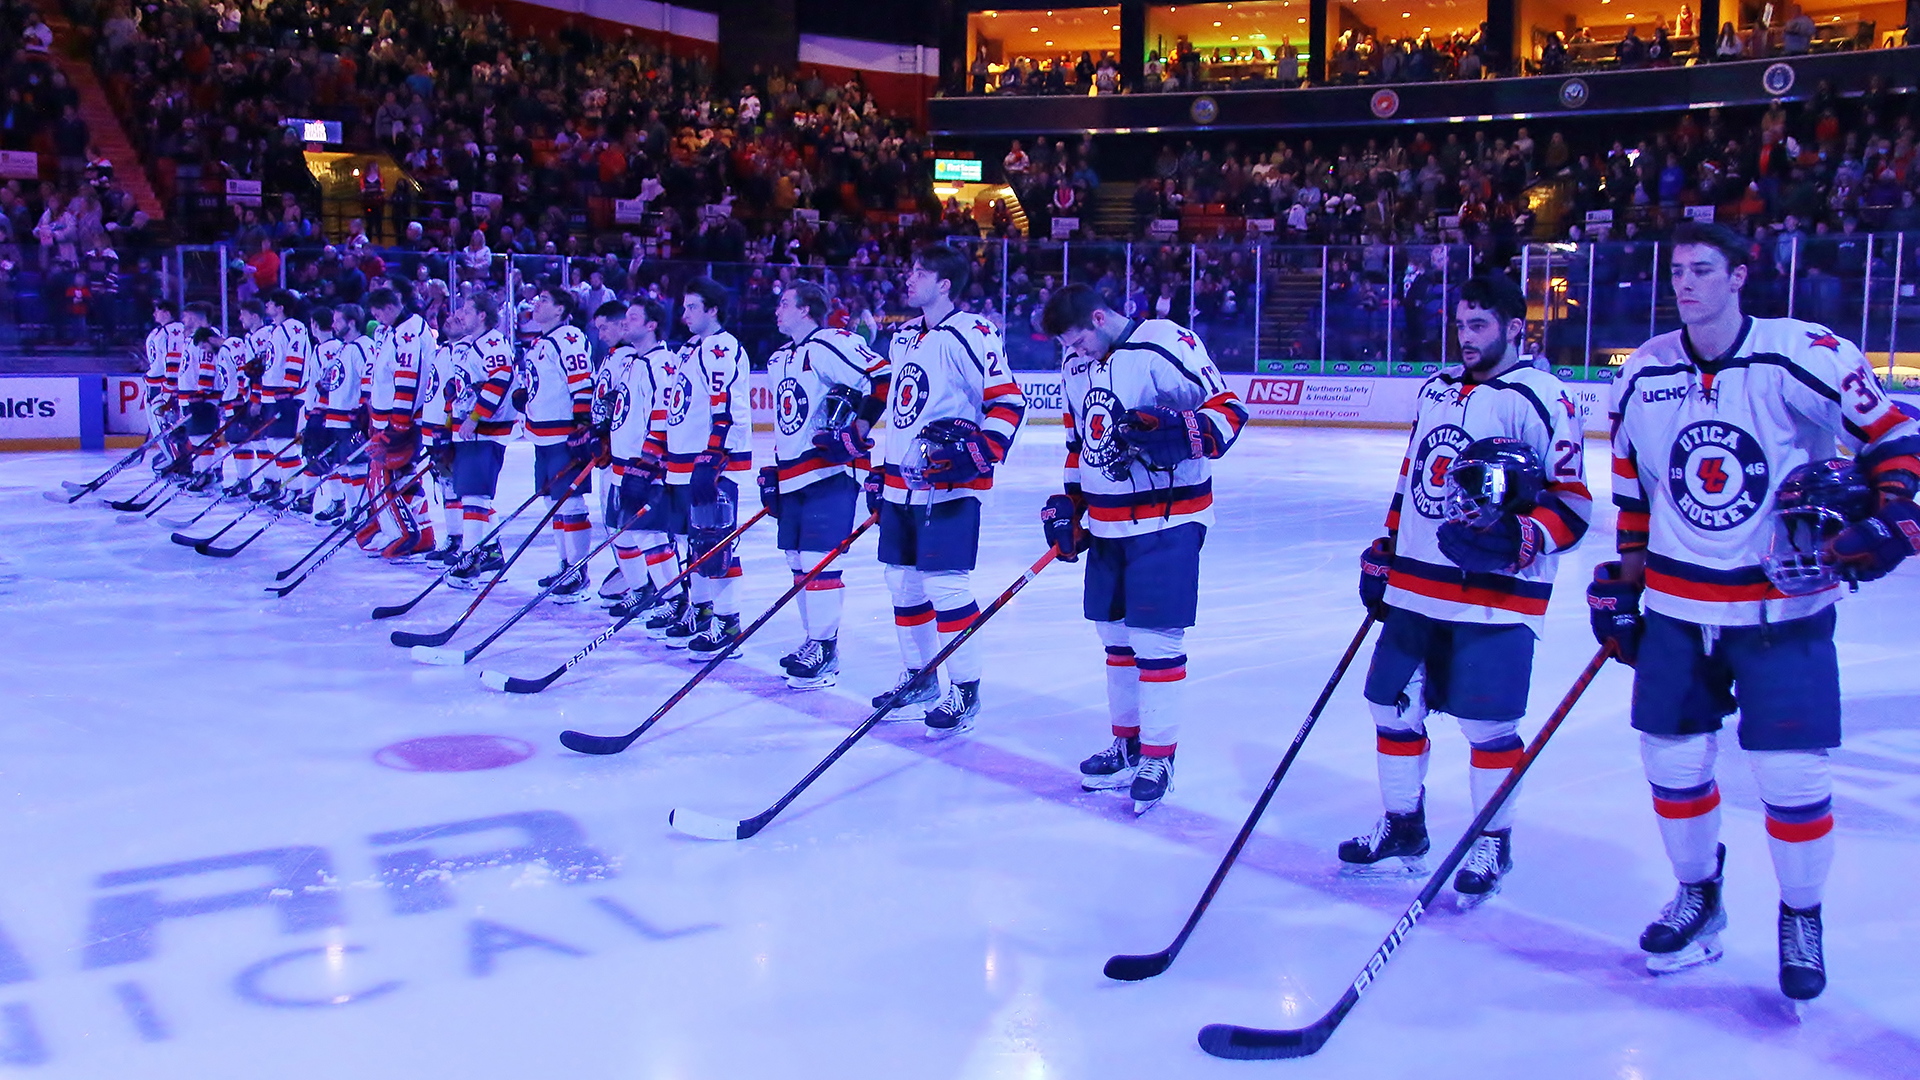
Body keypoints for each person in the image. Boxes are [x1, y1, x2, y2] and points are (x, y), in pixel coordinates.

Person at [1593, 221, 1920, 1001]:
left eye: (1704, 269)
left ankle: (1801, 915)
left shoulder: (1802, 352)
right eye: (1678, 270)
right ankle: (1699, 897)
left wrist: (1895, 511)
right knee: (1673, 763)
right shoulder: (1643, 372)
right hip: (1677, 606)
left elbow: (1894, 434)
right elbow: (1635, 493)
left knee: (1791, 772)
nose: (1686, 283)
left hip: (1783, 606)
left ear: (1740, 276)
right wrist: (1624, 583)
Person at [1340, 272, 1591, 902]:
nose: (1466, 337)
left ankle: (1491, 839)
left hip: (1495, 594)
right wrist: (1387, 546)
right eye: (1460, 325)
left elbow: (1573, 504)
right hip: (1415, 586)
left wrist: (1522, 538)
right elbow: (1412, 477)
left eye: (1479, 325)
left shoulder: (1543, 396)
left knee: (1487, 724)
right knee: (1389, 704)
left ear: (1515, 328)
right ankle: (1404, 826)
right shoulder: (1437, 389)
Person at [1039, 284, 1248, 813]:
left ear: (1100, 317)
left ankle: (1159, 757)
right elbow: (1077, 442)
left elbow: (1228, 412)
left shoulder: (1164, 342)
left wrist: (1181, 430)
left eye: (1079, 339)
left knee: (1155, 640)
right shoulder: (1074, 365)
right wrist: (1071, 504)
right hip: (1107, 524)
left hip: (1168, 518)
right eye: (1068, 346)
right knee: (1115, 638)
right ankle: (1128, 745)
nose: (1076, 351)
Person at [867, 245, 1027, 736]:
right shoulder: (904, 337)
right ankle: (920, 678)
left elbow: (1008, 402)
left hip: (948, 488)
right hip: (901, 486)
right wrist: (879, 471)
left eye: (920, 272)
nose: (908, 276)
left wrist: (975, 456)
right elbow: (901, 411)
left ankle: (966, 689)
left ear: (944, 285)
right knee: (902, 582)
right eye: (910, 268)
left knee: (945, 586)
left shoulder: (972, 332)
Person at [763, 280, 891, 690]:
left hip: (830, 471)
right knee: (797, 561)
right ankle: (813, 640)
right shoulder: (779, 358)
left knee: (818, 559)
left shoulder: (831, 342)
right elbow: (786, 422)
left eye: (785, 303)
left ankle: (824, 648)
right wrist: (773, 469)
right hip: (792, 474)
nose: (777, 310)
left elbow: (883, 377)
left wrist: (860, 427)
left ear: (806, 310)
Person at [648, 276, 752, 658]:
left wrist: (713, 457)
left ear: (713, 309)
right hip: (683, 465)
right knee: (692, 545)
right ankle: (702, 610)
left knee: (716, 544)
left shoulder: (721, 347)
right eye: (684, 306)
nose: (684, 313)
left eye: (692, 307)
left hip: (710, 465)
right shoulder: (692, 349)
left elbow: (728, 407)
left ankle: (728, 623)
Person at [518, 284, 596, 599]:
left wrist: (582, 426)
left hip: (564, 436)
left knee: (570, 502)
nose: (537, 304)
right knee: (553, 503)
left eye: (545, 300)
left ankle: (578, 570)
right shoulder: (540, 342)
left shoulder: (569, 337)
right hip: (542, 437)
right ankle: (565, 565)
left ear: (561, 310)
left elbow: (582, 383)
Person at [604, 297, 674, 617]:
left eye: (633, 317)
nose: (624, 322)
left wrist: (652, 458)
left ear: (651, 325)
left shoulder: (661, 363)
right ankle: (640, 590)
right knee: (620, 533)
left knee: (650, 535)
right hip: (621, 465)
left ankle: (673, 600)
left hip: (643, 467)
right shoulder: (632, 361)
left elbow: (665, 411)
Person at [448, 293, 518, 587]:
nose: (460, 314)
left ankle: (470, 558)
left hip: (485, 430)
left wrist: (475, 416)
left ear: (482, 316)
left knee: (475, 495)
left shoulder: (493, 344)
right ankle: (490, 553)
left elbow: (500, 379)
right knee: (474, 495)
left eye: (467, 310)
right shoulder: (468, 345)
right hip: (469, 430)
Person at [365, 286, 437, 560]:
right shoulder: (394, 331)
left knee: (398, 475)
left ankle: (410, 534)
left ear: (389, 307)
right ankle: (419, 533)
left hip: (401, 420)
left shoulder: (408, 333)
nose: (377, 319)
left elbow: (408, 380)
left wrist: (399, 423)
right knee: (403, 475)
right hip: (390, 419)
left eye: (377, 313)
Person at [253, 290, 311, 506]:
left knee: (283, 443)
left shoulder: (294, 327)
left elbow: (296, 359)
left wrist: (288, 391)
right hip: (272, 396)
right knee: (274, 443)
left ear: (280, 307)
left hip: (284, 396)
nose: (267, 306)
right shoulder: (277, 330)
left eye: (270, 303)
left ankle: (296, 491)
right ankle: (289, 488)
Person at [142, 298, 186, 460]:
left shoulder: (174, 331)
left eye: (158, 310)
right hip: (155, 386)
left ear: (167, 313)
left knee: (165, 427)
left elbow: (173, 361)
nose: (154, 314)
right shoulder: (159, 331)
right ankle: (173, 458)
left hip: (162, 387)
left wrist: (169, 390)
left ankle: (177, 460)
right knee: (159, 427)